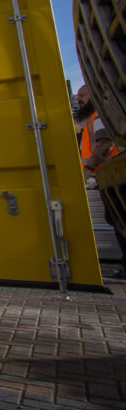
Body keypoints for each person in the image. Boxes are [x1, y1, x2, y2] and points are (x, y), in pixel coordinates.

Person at [77, 85, 126, 279]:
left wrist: (88, 169)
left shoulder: (99, 116)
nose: (79, 99)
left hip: (115, 176)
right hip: (111, 176)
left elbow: (105, 144)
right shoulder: (94, 117)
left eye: (83, 95)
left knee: (120, 221)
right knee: (116, 220)